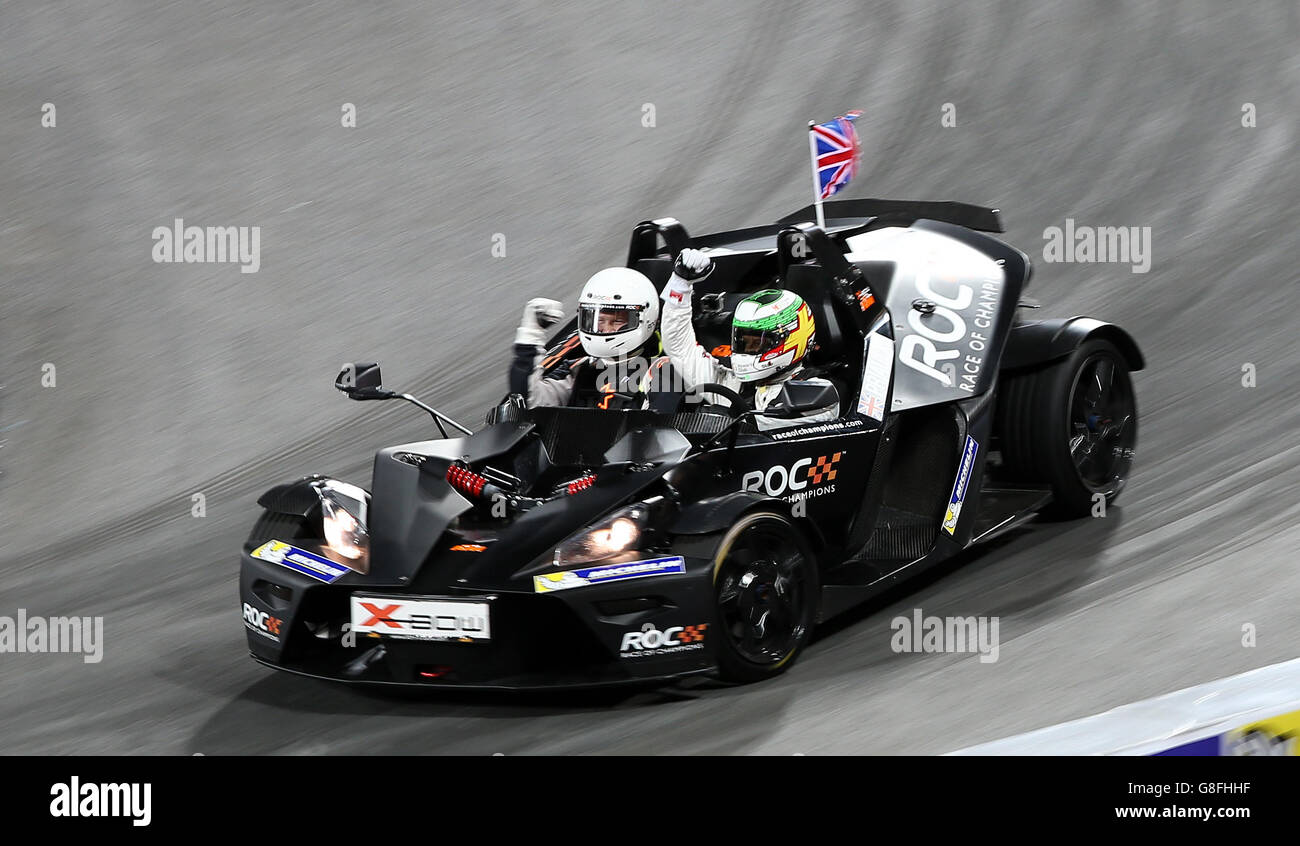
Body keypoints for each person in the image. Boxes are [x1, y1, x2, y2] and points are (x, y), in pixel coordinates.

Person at [660, 248, 840, 429]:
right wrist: (680, 284)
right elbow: (680, 349)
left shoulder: (820, 394)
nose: (746, 349)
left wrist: (723, 419)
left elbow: (767, 426)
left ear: (789, 339)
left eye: (757, 343)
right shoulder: (735, 385)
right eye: (743, 341)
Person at [510, 267, 677, 410]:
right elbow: (528, 402)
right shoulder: (578, 370)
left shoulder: (664, 372)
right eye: (599, 321)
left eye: (616, 321)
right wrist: (530, 336)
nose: (605, 329)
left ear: (646, 319)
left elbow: (658, 426)